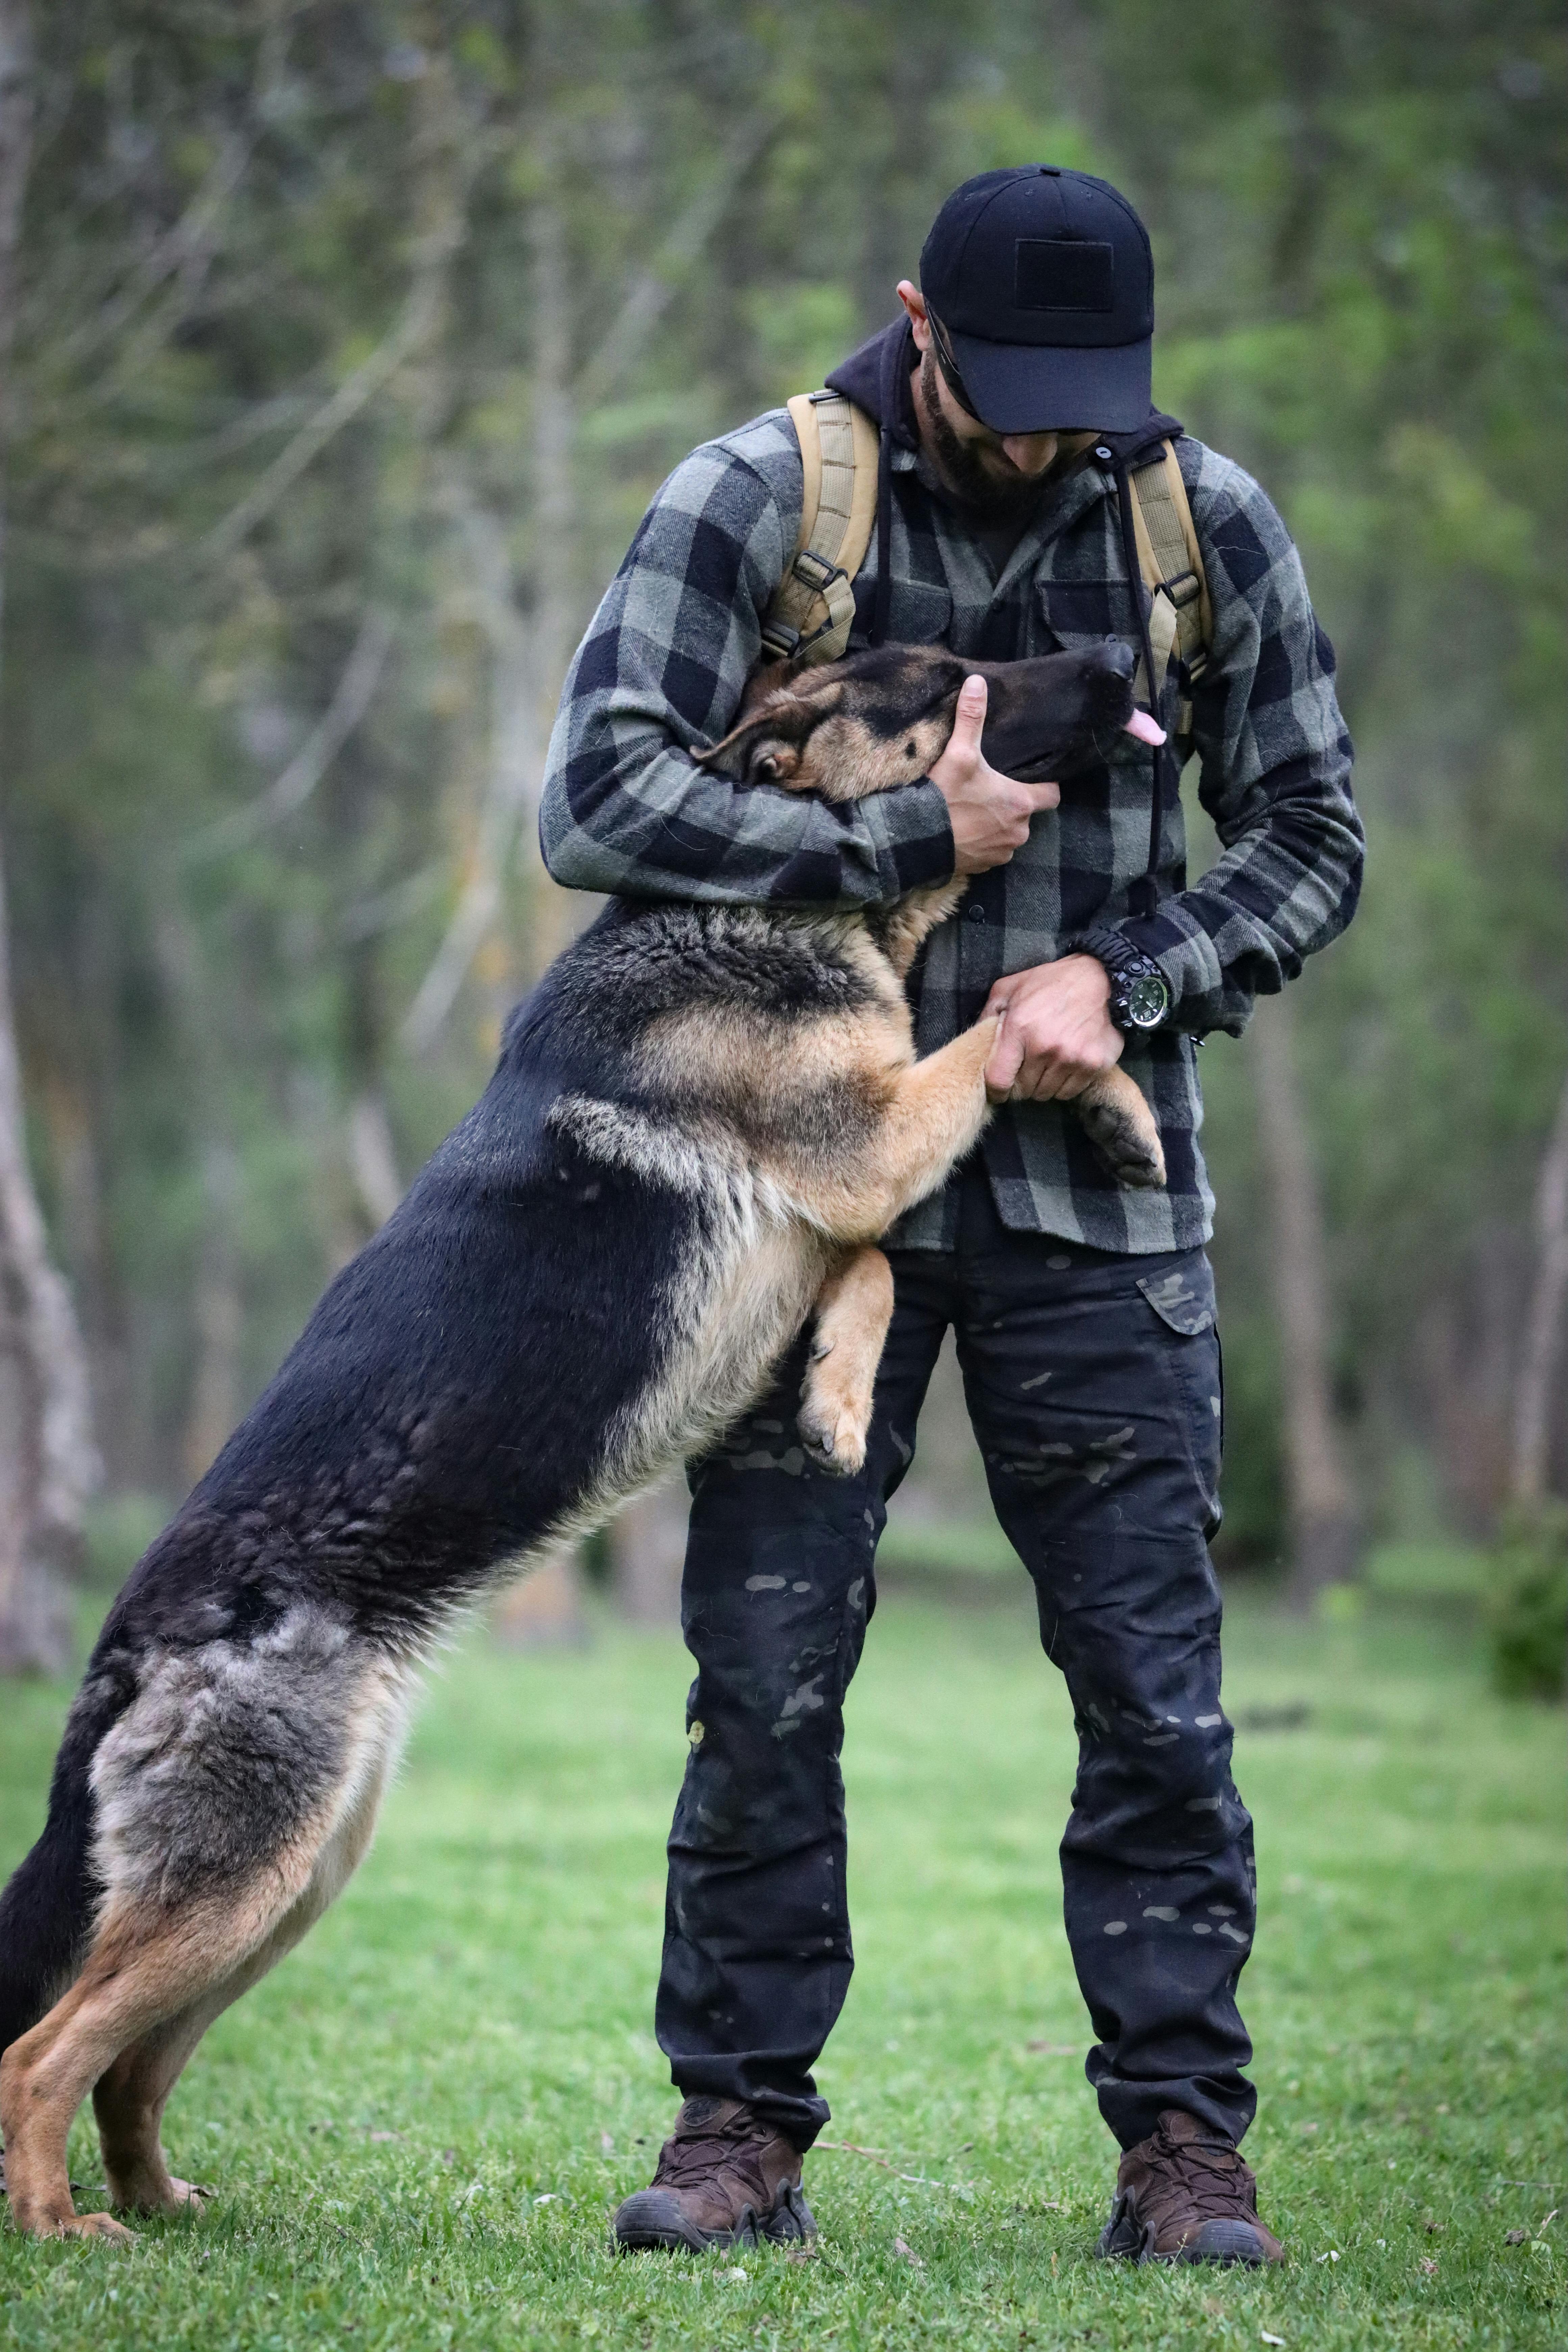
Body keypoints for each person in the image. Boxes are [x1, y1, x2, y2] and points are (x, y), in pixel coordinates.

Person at [539, 165, 1363, 2265]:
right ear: (919, 326)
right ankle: (738, 2136)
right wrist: (908, 832)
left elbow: (1312, 835)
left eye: (1093, 398)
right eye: (1012, 395)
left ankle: (1185, 2148)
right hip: (810, 1217)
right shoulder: (763, 500)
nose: (1053, 433)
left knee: (1155, 1696)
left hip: (1100, 1212)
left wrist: (1134, 974)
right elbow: (601, 798)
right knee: (767, 1680)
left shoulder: (1200, 520)